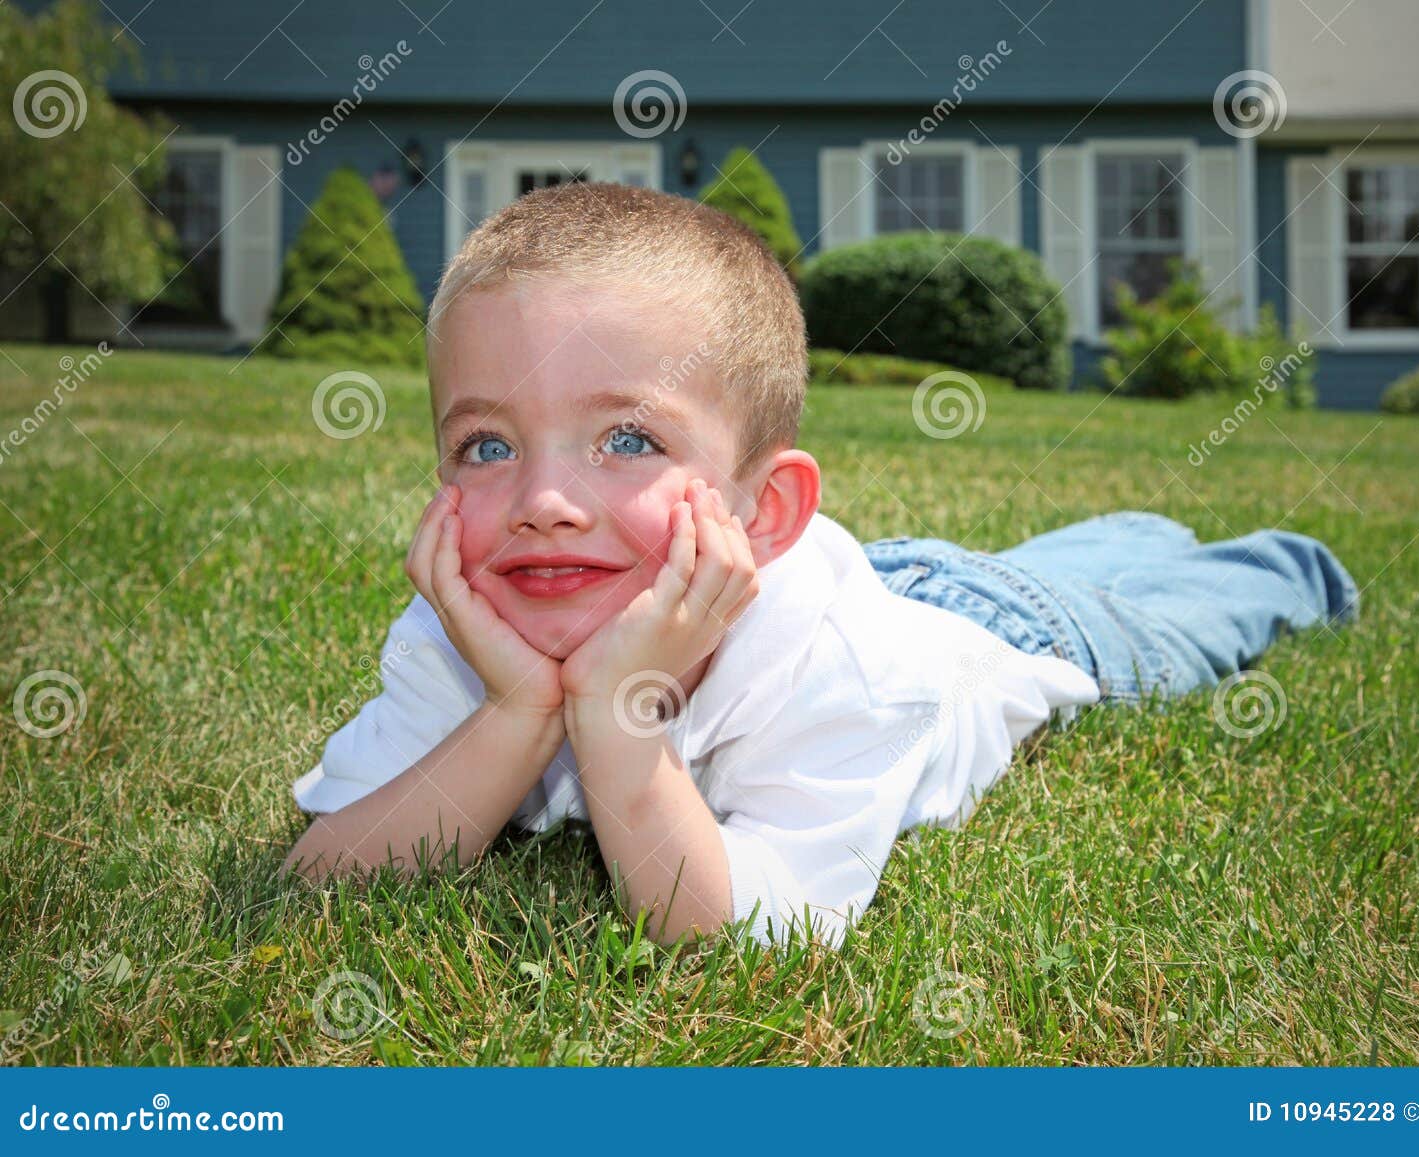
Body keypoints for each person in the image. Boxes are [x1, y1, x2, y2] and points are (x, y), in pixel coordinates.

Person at [280, 182, 1357, 950]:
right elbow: (323, 880)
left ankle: (1274, 560)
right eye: (486, 446)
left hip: (989, 634)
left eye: (627, 439)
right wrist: (516, 707)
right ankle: (1128, 531)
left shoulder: (845, 667)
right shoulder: (462, 632)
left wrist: (616, 715)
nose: (543, 504)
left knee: (1172, 621)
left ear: (767, 506)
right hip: (883, 579)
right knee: (1073, 560)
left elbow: (736, 936)